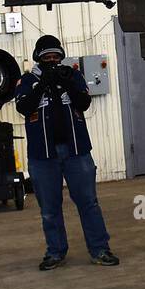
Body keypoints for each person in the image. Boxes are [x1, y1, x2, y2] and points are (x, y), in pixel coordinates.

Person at [14, 35, 119, 270]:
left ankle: (100, 249)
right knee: (49, 209)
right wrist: (43, 84)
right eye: (46, 58)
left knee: (88, 203)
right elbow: (23, 107)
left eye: (55, 57)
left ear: (61, 57)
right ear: (38, 59)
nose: (52, 61)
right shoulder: (26, 80)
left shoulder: (73, 75)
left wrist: (67, 82)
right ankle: (55, 252)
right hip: (43, 156)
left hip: (76, 150)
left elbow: (83, 103)